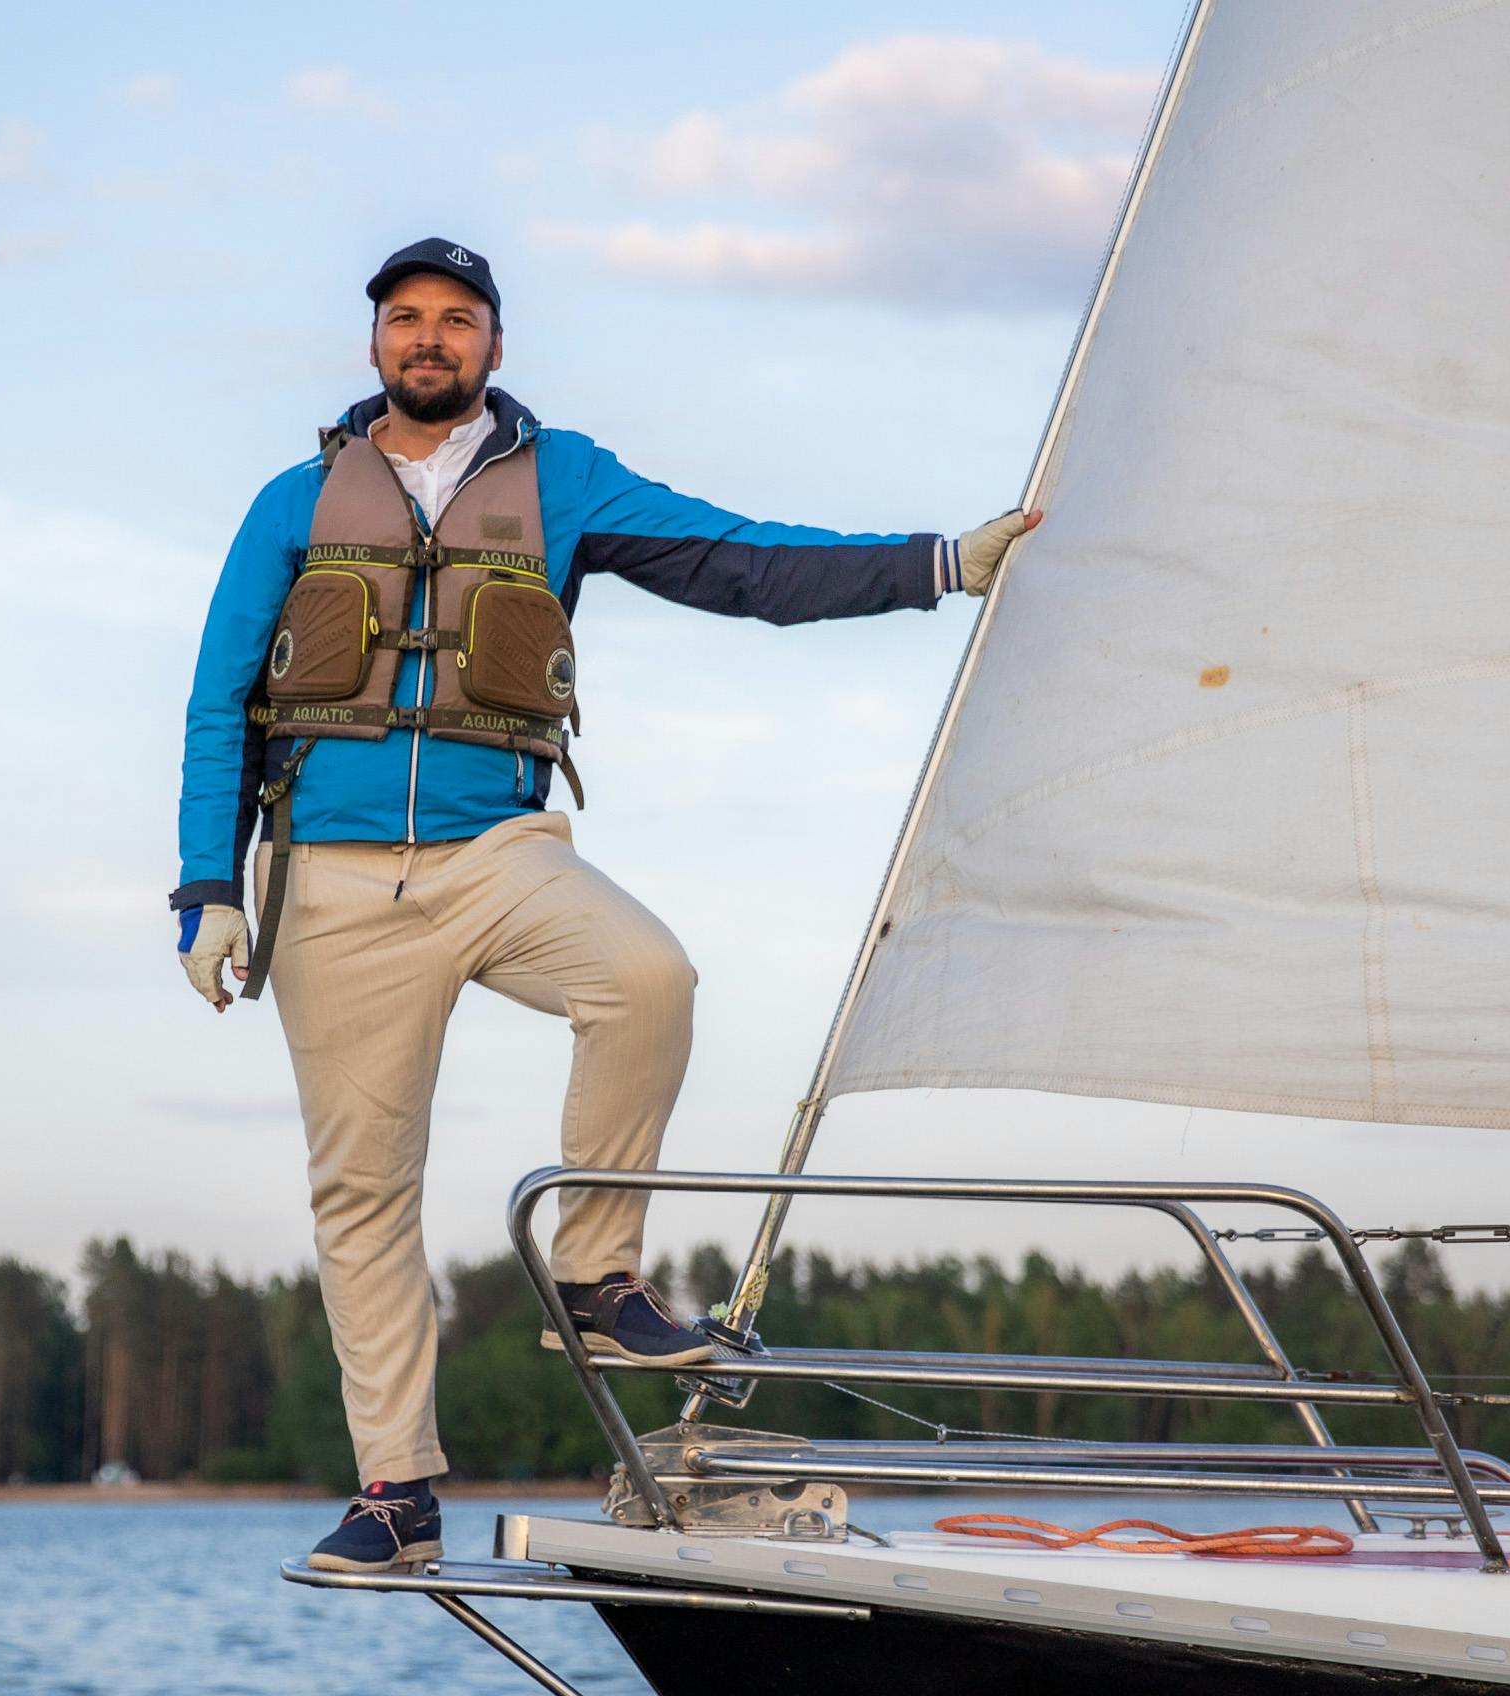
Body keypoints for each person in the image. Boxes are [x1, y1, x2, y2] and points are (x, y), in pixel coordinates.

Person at [171, 237, 1037, 1571]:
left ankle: (593, 1276)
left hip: (495, 852)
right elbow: (220, 696)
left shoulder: (563, 479)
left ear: (494, 345)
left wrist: (937, 564)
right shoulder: (294, 500)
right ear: (375, 343)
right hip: (327, 878)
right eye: (406, 318)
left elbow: (740, 561)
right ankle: (397, 1496)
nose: (429, 339)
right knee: (364, 1191)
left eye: (456, 319)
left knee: (647, 979)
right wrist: (207, 889)